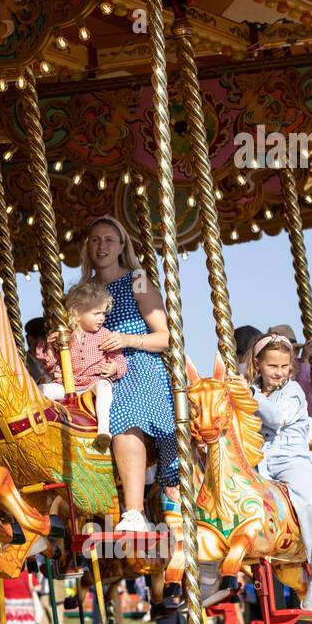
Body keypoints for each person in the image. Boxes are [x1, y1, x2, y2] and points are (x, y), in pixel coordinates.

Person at [81, 217, 175, 533]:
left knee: (123, 411)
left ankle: (134, 511)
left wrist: (127, 340)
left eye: (109, 239)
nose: (102, 245)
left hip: (138, 364)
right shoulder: (84, 290)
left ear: (122, 245)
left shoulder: (136, 280)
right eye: (95, 239)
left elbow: (165, 337)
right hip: (94, 367)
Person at [248, 332, 312, 612]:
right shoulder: (250, 387)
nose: (279, 372)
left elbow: (275, 419)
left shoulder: (293, 391)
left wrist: (248, 395)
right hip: (257, 460)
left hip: (289, 460)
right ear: (258, 364)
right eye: (273, 366)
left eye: (285, 366)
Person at [38, 282, 126, 451]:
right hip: (68, 384)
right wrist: (49, 348)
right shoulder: (64, 337)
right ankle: (43, 430)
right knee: (41, 390)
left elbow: (120, 361)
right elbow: (51, 368)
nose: (102, 318)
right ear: (77, 314)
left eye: (103, 313)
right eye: (96, 313)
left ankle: (103, 430)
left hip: (93, 382)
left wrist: (114, 369)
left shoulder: (106, 335)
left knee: (104, 387)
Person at [24, 317, 50, 385]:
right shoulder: (22, 364)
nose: (49, 344)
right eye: (44, 339)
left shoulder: (56, 361)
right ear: (30, 340)